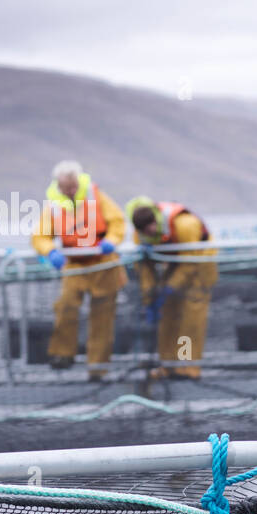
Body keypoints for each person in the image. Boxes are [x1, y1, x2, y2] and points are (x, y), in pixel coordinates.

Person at [32, 160, 127, 381]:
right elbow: (40, 236)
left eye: (72, 186)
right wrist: (50, 251)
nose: (70, 191)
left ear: (78, 182)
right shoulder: (54, 205)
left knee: (102, 316)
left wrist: (111, 241)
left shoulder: (97, 196)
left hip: (103, 263)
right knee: (65, 307)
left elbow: (117, 222)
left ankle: (98, 367)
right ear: (59, 185)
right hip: (74, 264)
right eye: (65, 187)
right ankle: (61, 355)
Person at [125, 197, 217, 380]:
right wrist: (150, 297)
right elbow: (144, 267)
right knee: (167, 317)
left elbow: (190, 261)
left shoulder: (185, 224)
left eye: (151, 227)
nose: (149, 232)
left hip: (199, 265)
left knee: (190, 321)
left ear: (156, 220)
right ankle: (167, 366)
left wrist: (169, 288)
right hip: (174, 265)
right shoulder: (140, 234)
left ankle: (187, 367)